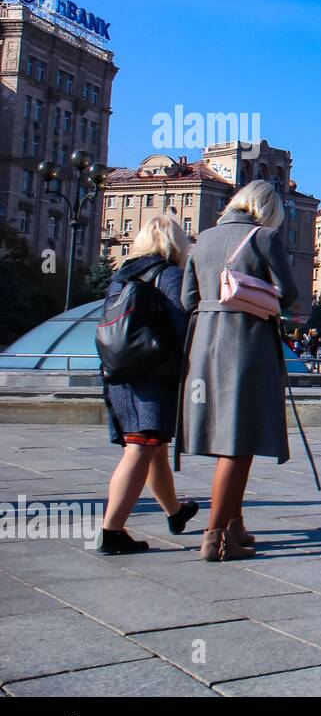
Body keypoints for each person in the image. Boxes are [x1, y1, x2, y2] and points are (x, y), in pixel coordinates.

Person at [177, 180, 298, 561]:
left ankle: (235, 524)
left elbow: (186, 299)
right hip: (246, 343)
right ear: (266, 209)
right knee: (237, 441)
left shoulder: (202, 240)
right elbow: (289, 292)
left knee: (229, 436)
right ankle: (214, 537)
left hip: (204, 345)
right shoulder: (265, 239)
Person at [97, 217, 200, 554]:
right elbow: (184, 326)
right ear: (176, 245)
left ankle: (174, 512)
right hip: (151, 376)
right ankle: (112, 532)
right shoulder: (169, 275)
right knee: (141, 447)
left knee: (153, 446)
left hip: (120, 370)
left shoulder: (122, 275)